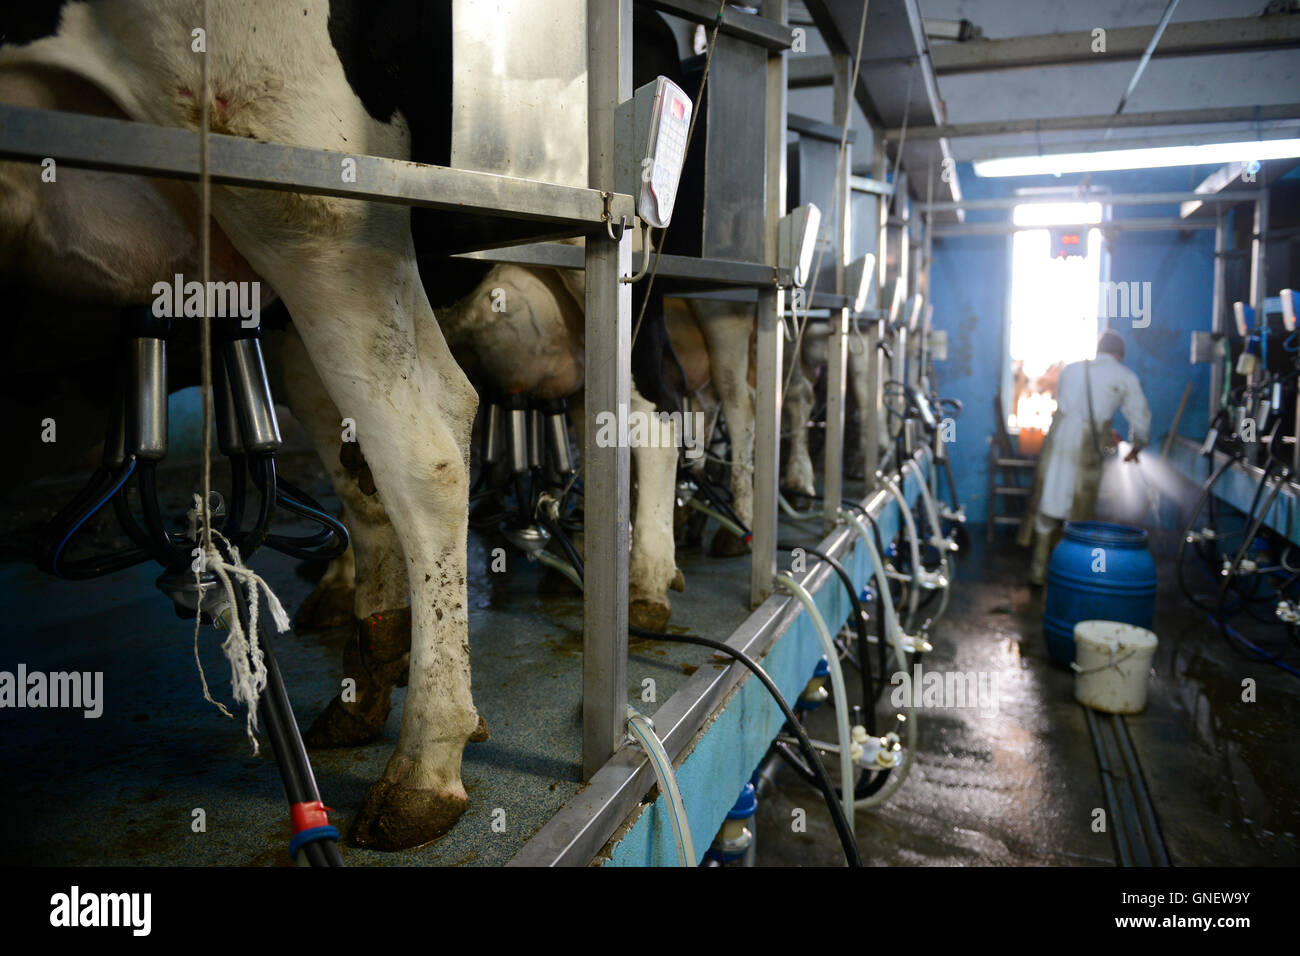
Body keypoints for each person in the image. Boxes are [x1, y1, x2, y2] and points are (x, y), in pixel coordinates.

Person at [1017, 330, 1151, 586]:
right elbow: (1140, 417)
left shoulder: (1071, 370)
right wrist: (1137, 446)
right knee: (1077, 510)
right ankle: (1068, 576)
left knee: (1047, 501)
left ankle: (1037, 573)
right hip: (1086, 446)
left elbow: (1075, 407)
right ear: (1119, 355)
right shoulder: (1124, 376)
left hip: (1057, 439)